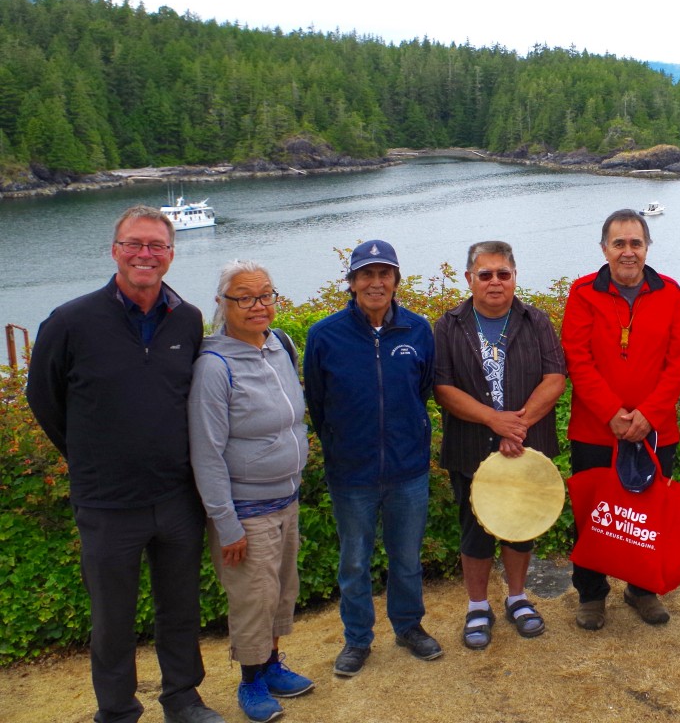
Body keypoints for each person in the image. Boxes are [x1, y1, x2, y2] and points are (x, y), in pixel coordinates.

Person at [25, 206, 226, 723]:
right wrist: (90, 456)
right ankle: (116, 711)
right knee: (113, 619)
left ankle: (183, 698)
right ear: (114, 250)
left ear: (170, 254)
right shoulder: (71, 321)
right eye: (135, 244)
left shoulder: (187, 318)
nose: (145, 255)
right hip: (107, 503)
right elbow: (44, 398)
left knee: (179, 609)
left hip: (177, 496)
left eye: (157, 246)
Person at [303, 239, 440, 676]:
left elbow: (420, 393)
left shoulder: (418, 331)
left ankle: (409, 627)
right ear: (352, 282)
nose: (376, 282)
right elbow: (318, 403)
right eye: (367, 274)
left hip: (408, 471)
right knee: (355, 562)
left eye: (385, 274)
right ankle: (357, 639)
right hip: (351, 474)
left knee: (405, 559)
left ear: (396, 281)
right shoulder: (324, 335)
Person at [188, 262, 314, 722]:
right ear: (222, 305)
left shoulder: (281, 344)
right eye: (245, 297)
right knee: (252, 599)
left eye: (266, 295)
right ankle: (251, 681)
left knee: (281, 591)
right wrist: (226, 523)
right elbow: (206, 453)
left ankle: (273, 663)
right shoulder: (214, 366)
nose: (259, 305)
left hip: (287, 497)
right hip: (245, 508)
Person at [561, 208, 680, 630]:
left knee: (648, 514)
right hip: (595, 429)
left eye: (636, 243)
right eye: (619, 243)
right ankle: (592, 594)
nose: (628, 252)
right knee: (594, 514)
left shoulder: (670, 292)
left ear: (647, 247)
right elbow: (577, 359)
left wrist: (649, 415)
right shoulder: (582, 293)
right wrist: (612, 414)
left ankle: (642, 588)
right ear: (604, 249)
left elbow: (679, 360)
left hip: (656, 431)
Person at [433, 241, 567, 649]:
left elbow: (555, 376)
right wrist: (493, 419)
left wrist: (518, 424)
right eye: (485, 274)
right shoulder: (448, 325)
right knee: (474, 530)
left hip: (526, 444)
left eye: (503, 274)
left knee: (521, 528)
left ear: (514, 276)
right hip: (471, 444)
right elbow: (442, 387)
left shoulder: (536, 320)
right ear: (469, 278)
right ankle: (477, 606)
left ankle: (517, 598)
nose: (495, 282)